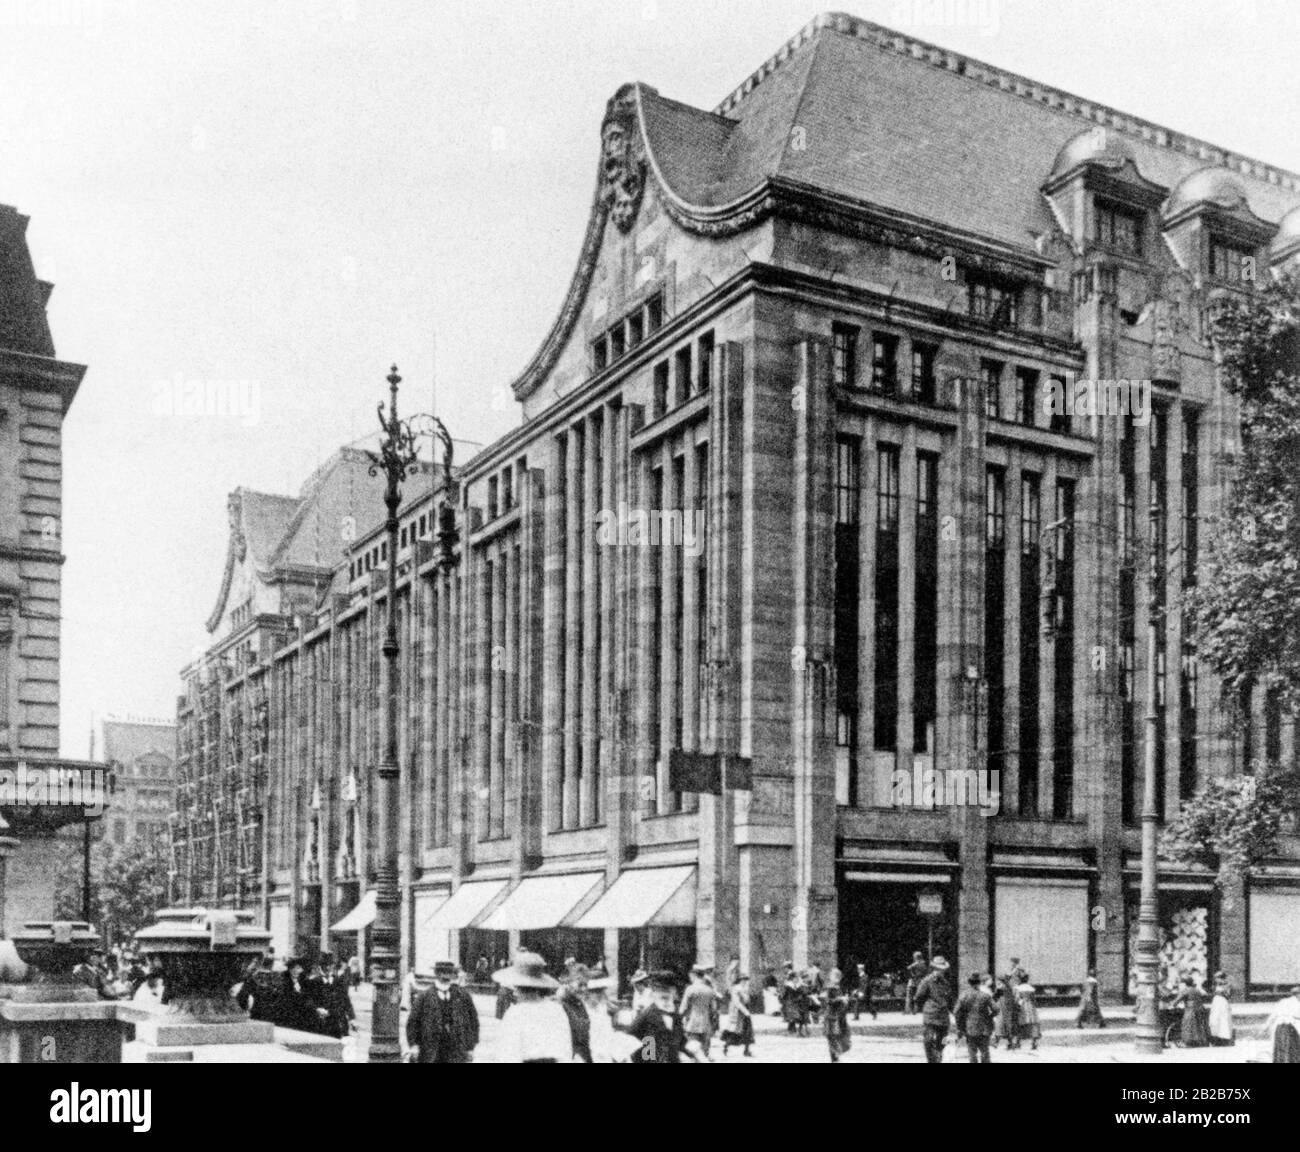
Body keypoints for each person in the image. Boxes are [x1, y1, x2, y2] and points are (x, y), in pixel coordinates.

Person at [493, 952, 573, 1063]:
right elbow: (565, 1049)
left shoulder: (515, 1013)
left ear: (517, 988)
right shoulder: (556, 1010)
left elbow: (509, 1054)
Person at [407, 959, 480, 1063]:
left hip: (457, 1050)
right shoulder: (424, 997)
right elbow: (413, 1023)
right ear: (436, 973)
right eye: (442, 972)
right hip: (430, 1051)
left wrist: (471, 1048)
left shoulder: (463, 996)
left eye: (449, 972)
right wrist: (414, 1046)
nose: (446, 976)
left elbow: (474, 1022)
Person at [628, 971, 702, 1063]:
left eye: (668, 996)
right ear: (654, 994)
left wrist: (693, 1052)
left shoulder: (675, 1017)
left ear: (674, 993)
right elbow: (628, 1040)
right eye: (663, 997)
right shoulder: (646, 1016)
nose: (666, 1002)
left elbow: (680, 1041)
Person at [913, 955, 954, 1065]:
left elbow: (950, 1000)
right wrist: (926, 1007)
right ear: (934, 969)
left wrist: (954, 1012)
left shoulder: (946, 983)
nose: (940, 972)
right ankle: (932, 1060)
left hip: (943, 1016)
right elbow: (918, 996)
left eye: (942, 970)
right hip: (930, 1016)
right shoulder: (926, 981)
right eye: (938, 969)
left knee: (943, 1040)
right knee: (928, 1040)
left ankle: (939, 1054)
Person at [954, 972, 996, 1063]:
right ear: (980, 983)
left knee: (972, 1052)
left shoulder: (964, 996)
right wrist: (989, 1017)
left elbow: (956, 1012)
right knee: (985, 1051)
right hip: (984, 1027)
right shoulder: (985, 996)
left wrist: (960, 1026)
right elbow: (996, 1009)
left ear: (970, 983)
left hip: (969, 1027)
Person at [680, 963, 719, 1058]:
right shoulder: (709, 990)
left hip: (692, 1025)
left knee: (693, 1052)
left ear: (693, 975)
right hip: (706, 1025)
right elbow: (714, 1010)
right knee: (704, 1054)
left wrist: (678, 1019)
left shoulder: (690, 989)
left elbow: (683, 1008)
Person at [558, 962, 594, 1063]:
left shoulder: (580, 1004)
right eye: (580, 984)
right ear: (568, 983)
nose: (583, 989)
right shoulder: (561, 1006)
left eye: (586, 985)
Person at [721, 973, 755, 1057]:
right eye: (743, 980)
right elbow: (736, 1002)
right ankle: (726, 1046)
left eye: (746, 980)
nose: (745, 981)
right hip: (738, 1013)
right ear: (739, 980)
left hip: (745, 1012)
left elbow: (747, 1000)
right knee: (735, 1031)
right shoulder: (736, 989)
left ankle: (746, 1050)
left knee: (748, 1031)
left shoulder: (743, 988)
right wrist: (745, 1011)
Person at [1173, 973, 1210, 1048]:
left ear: (1185, 983)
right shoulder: (1197, 990)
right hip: (1199, 1009)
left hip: (1190, 1009)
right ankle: (1199, 1041)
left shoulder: (1185, 991)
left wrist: (1173, 1004)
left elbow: (1176, 1001)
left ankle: (1188, 1041)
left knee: (1188, 1025)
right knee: (1198, 1025)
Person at [823, 969, 853, 1062]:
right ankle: (834, 1057)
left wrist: (844, 1000)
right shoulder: (831, 988)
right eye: (834, 977)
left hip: (839, 1015)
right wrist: (840, 999)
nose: (836, 979)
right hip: (832, 1016)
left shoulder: (837, 988)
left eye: (838, 977)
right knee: (833, 1036)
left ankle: (835, 1056)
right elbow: (829, 1001)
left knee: (839, 1035)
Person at [994, 959, 1023, 1049]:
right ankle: (1012, 1042)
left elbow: (995, 996)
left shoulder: (1003, 987)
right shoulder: (1010, 987)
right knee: (1010, 1024)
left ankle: (999, 1042)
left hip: (1004, 1008)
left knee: (1001, 1024)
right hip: (1010, 1007)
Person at [1015, 974, 1042, 1051]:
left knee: (1020, 1023)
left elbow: (1017, 998)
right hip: (1030, 1006)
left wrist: (1017, 1005)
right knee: (1033, 1023)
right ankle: (1034, 1042)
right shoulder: (1031, 988)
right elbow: (1034, 999)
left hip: (1022, 1006)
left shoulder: (1018, 988)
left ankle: (1018, 1042)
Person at [1208, 971, 1234, 1047]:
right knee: (1216, 1019)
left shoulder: (1226, 985)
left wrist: (1222, 992)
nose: (1217, 980)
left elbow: (1228, 995)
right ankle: (1218, 1037)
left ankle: (1222, 1038)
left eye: (1218, 978)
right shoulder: (1217, 985)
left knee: (1221, 1019)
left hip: (1221, 1002)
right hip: (1218, 1002)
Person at [781, 967, 809, 1036]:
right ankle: (792, 1030)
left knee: (793, 1017)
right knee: (793, 1016)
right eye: (796, 978)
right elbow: (787, 995)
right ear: (792, 978)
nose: (797, 979)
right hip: (790, 1003)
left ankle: (792, 1030)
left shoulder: (793, 985)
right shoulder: (789, 986)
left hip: (793, 1002)